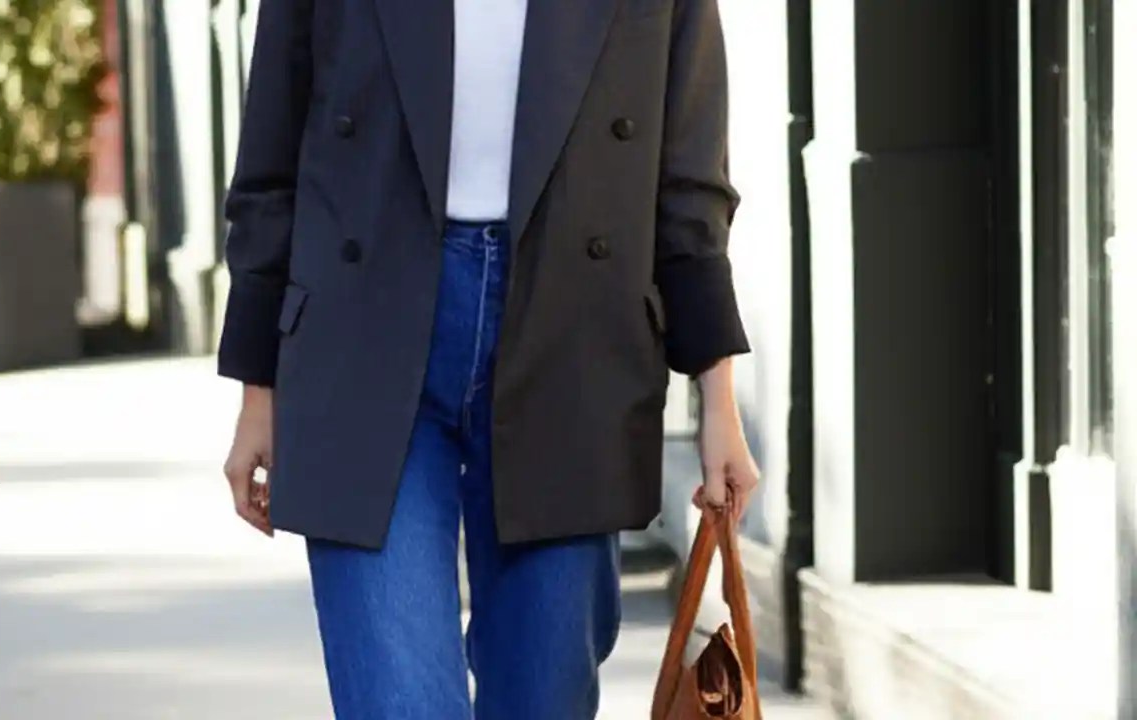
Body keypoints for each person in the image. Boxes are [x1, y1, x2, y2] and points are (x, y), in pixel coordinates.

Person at [218, 0, 759, 717]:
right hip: (364, 336)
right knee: (398, 702)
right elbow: (272, 162)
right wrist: (260, 389)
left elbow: (687, 180)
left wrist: (717, 399)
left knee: (544, 696)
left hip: (573, 344)